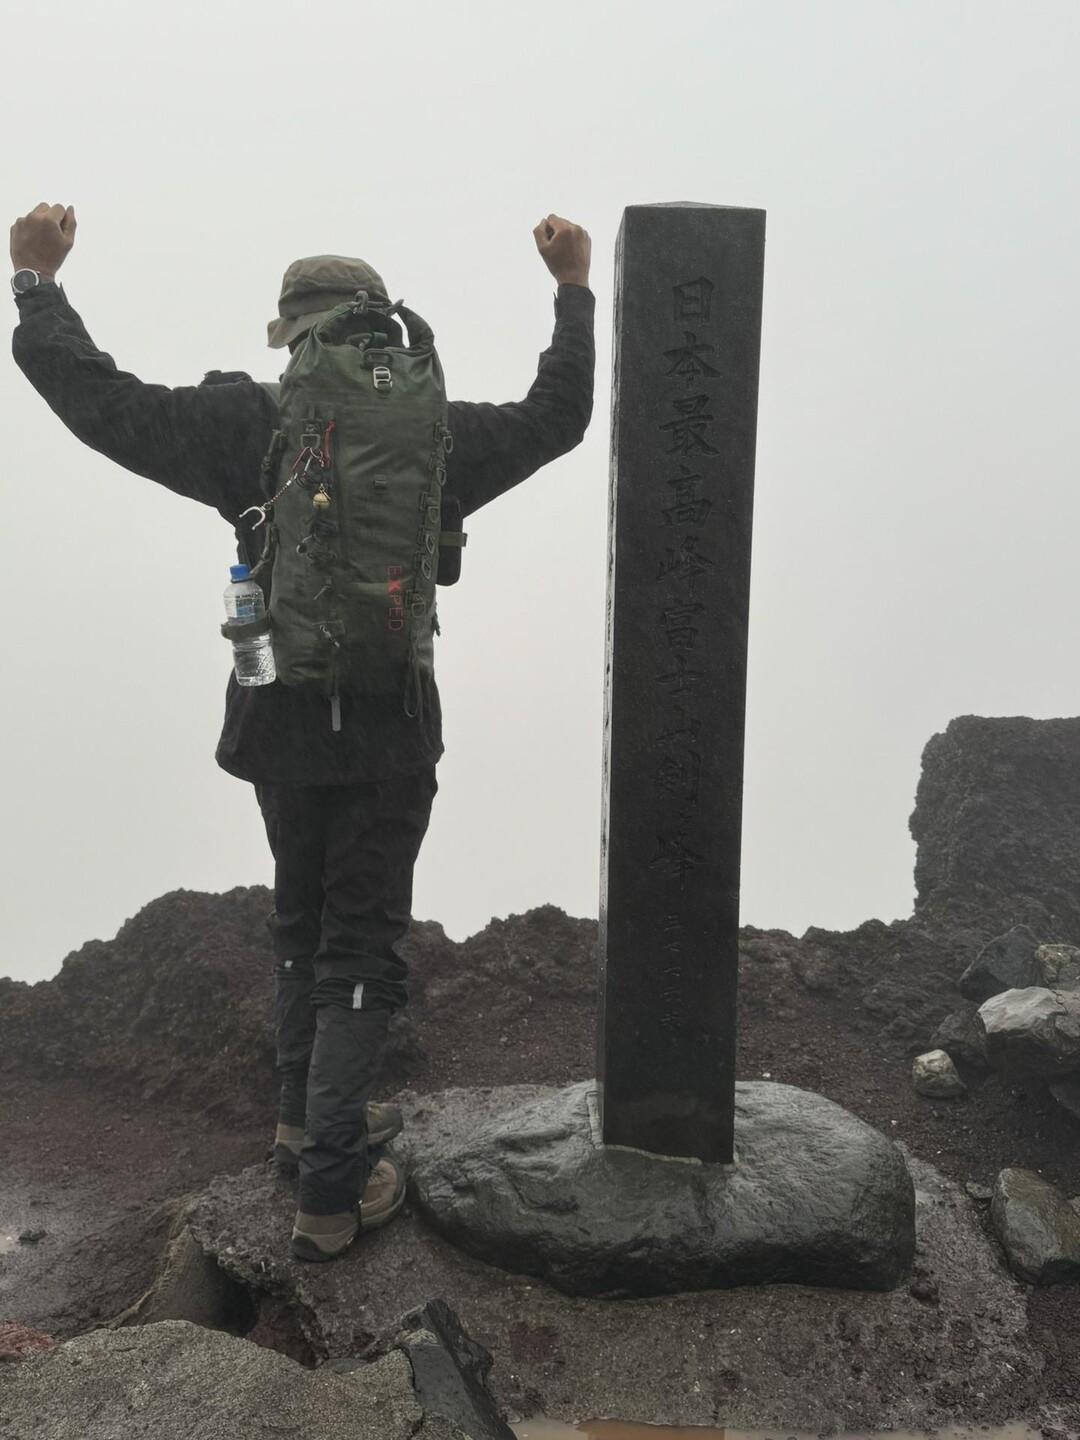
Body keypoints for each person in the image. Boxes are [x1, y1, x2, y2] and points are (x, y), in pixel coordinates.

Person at [10, 201, 594, 1262]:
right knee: (359, 943)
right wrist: (572, 290)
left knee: (301, 918)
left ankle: (313, 1153)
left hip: (278, 714)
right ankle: (331, 1171)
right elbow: (560, 417)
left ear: (293, 335)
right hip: (391, 725)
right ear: (378, 331)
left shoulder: (246, 424)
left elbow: (100, 403)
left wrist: (37, 284)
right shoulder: (436, 428)